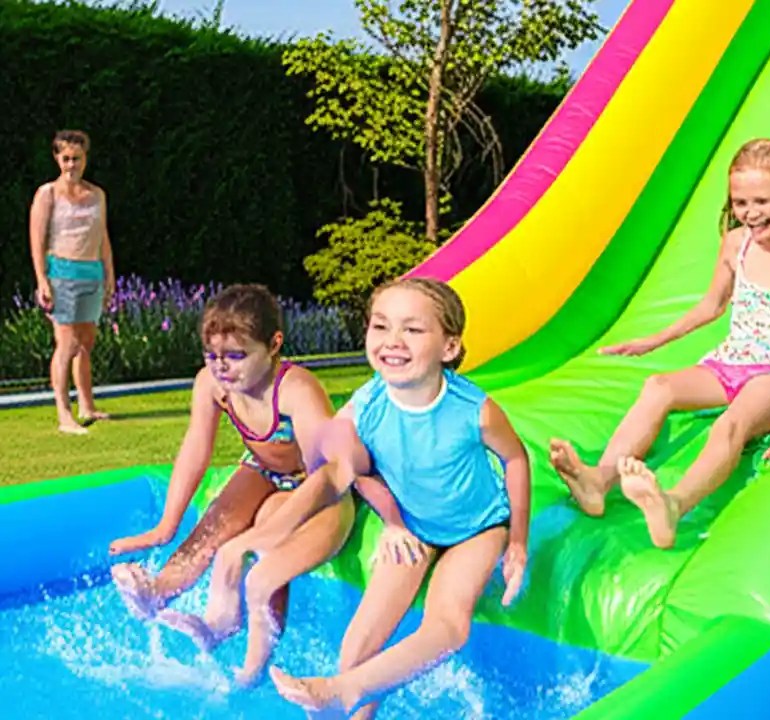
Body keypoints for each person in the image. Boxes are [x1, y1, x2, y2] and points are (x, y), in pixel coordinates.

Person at [182, 278, 528, 717]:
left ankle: (347, 692)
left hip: (476, 529)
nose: (392, 342)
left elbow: (515, 460)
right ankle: (352, 700)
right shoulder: (364, 408)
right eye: (380, 326)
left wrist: (516, 540)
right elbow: (343, 474)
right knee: (354, 648)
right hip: (413, 528)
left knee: (447, 624)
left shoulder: (473, 410)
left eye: (413, 330)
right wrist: (391, 523)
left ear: (449, 346)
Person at [549, 138, 770, 549]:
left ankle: (674, 505)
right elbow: (712, 305)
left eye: (762, 201)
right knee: (658, 387)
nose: (750, 213)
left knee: (732, 422)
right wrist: (651, 341)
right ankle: (599, 480)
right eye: (740, 202)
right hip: (731, 360)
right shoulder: (735, 243)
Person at [106, 284, 354, 686]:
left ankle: (253, 661)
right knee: (210, 529)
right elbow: (195, 451)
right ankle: (158, 591)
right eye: (212, 355)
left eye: (236, 355)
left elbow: (327, 476)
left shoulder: (295, 390)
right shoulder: (212, 384)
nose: (222, 366)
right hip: (260, 469)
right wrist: (164, 528)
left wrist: (259, 535)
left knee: (268, 544)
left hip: (311, 483)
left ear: (274, 344)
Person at [28, 130, 117, 434]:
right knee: (65, 344)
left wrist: (109, 274)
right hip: (61, 274)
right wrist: (42, 280)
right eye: (65, 158)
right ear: (57, 158)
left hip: (91, 273)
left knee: (85, 344)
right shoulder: (47, 194)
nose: (71, 165)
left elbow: (103, 236)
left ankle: (87, 405)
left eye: (76, 159)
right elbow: (37, 240)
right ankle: (64, 414)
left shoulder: (97, 195)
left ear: (85, 159)